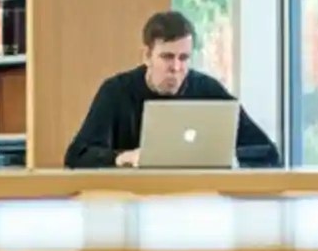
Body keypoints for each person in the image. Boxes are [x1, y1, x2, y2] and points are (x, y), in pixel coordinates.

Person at [64, 10, 282, 169]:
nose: (176, 68)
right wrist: (120, 158)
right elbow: (76, 156)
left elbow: (268, 153)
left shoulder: (209, 91)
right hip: (132, 205)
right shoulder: (116, 92)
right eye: (167, 57)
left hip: (198, 204)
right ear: (147, 56)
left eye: (184, 58)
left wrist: (227, 157)